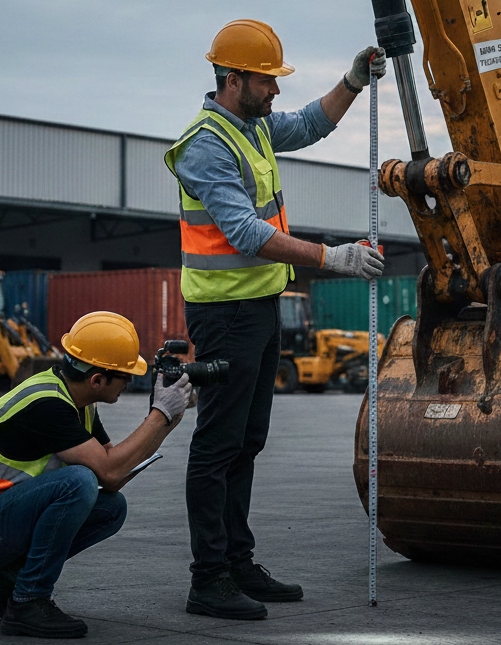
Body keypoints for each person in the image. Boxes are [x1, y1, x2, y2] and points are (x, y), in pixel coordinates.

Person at [163, 19, 387, 620]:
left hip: (256, 308)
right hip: (224, 314)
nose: (276, 93)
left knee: (247, 440)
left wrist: (353, 80)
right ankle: (207, 578)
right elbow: (242, 230)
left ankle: (237, 562)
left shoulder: (252, 127)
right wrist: (330, 257)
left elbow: (313, 123)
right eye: (268, 81)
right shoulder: (207, 143)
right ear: (233, 80)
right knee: (218, 444)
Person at [0, 311, 193, 638]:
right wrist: (159, 414)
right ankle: (28, 600)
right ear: (97, 379)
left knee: (111, 508)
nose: (130, 382)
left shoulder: (80, 402)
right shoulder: (48, 404)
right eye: (124, 376)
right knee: (79, 482)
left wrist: (168, 418)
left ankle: (4, 582)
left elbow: (114, 475)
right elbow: (108, 468)